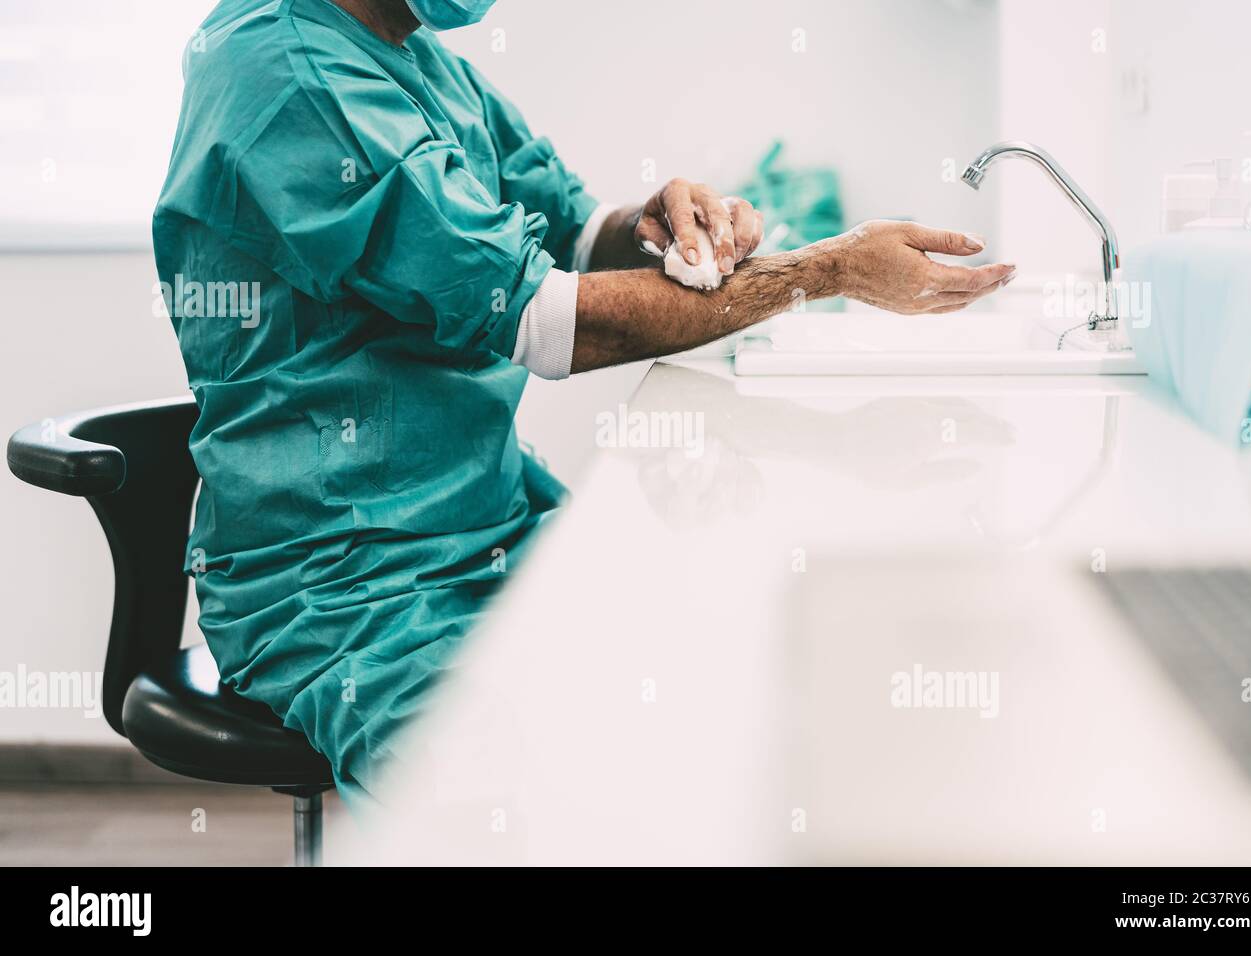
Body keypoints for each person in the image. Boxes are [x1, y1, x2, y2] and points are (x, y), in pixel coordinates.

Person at [153, 0, 1015, 805]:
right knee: (497, 813)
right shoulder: (286, 74)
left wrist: (666, 220)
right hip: (347, 583)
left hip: (486, 527)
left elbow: (570, 227)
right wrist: (826, 272)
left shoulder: (412, 53)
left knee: (690, 695)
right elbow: (540, 317)